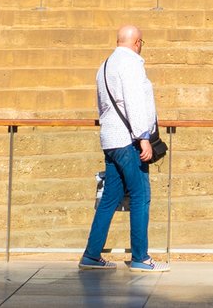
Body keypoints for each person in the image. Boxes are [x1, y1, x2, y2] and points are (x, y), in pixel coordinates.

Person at [79, 24, 167, 273]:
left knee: (110, 198)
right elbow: (134, 101)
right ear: (138, 42)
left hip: (110, 139)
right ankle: (141, 257)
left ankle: (92, 255)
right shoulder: (131, 64)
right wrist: (143, 137)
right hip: (128, 141)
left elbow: (103, 105)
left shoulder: (105, 65)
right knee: (141, 195)